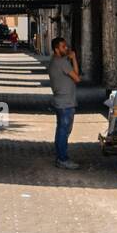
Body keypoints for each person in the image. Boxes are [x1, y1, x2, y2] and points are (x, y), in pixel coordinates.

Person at [48, 36, 81, 170]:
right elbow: (77, 78)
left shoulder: (55, 61)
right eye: (63, 46)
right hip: (65, 103)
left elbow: (74, 75)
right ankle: (62, 159)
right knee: (64, 131)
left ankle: (60, 156)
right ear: (56, 49)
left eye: (66, 46)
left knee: (61, 130)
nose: (66, 48)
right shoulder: (62, 63)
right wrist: (73, 59)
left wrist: (71, 59)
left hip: (60, 101)